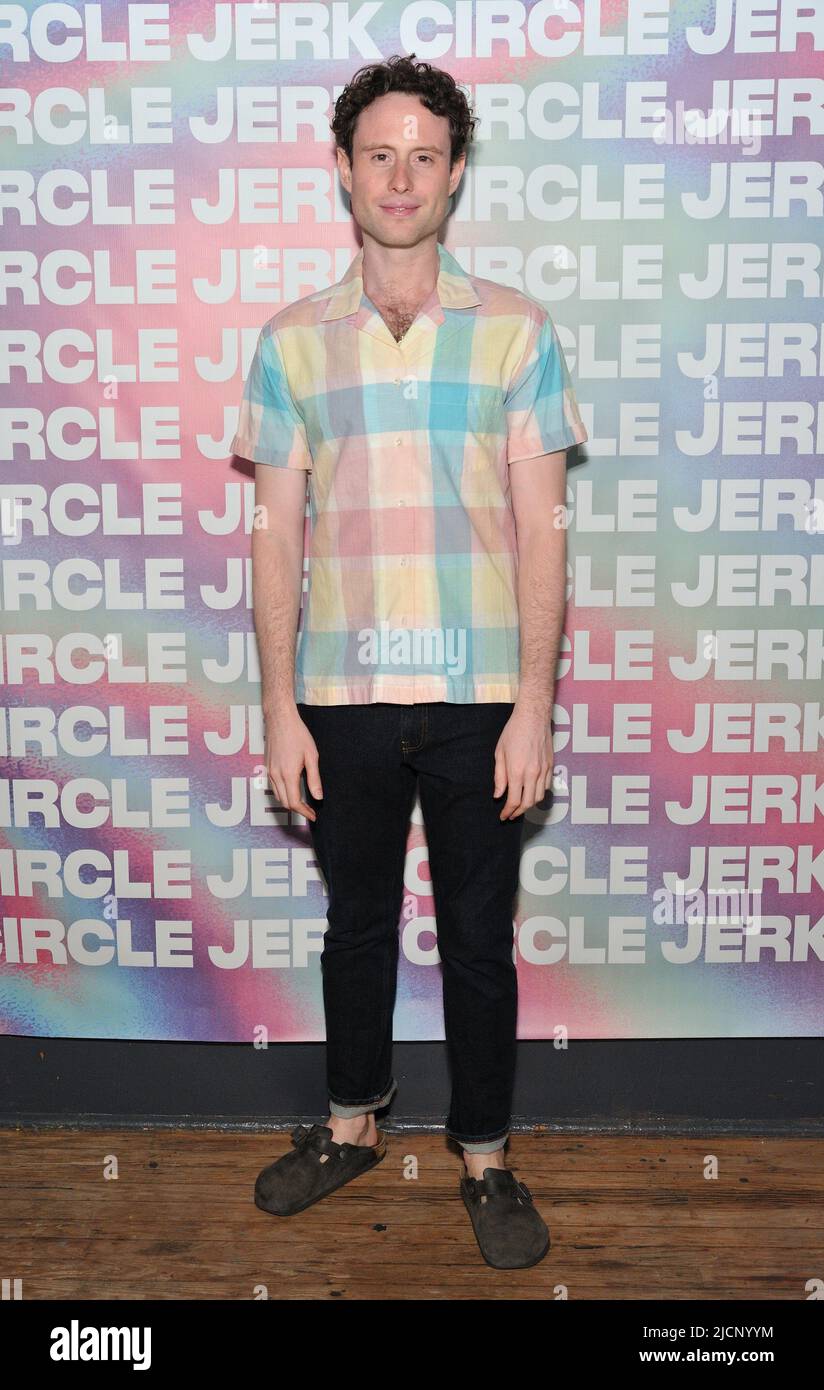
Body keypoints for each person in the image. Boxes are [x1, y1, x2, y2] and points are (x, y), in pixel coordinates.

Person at [230, 54, 588, 1270]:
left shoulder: (515, 332)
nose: (399, 175)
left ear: (453, 176)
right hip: (337, 693)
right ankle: (349, 1127)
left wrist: (532, 703)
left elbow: (541, 526)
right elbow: (275, 532)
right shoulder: (290, 343)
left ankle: (484, 1154)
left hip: (481, 691)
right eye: (377, 153)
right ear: (342, 170)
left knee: (480, 935)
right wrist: (278, 707)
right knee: (355, 929)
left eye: (422, 155)